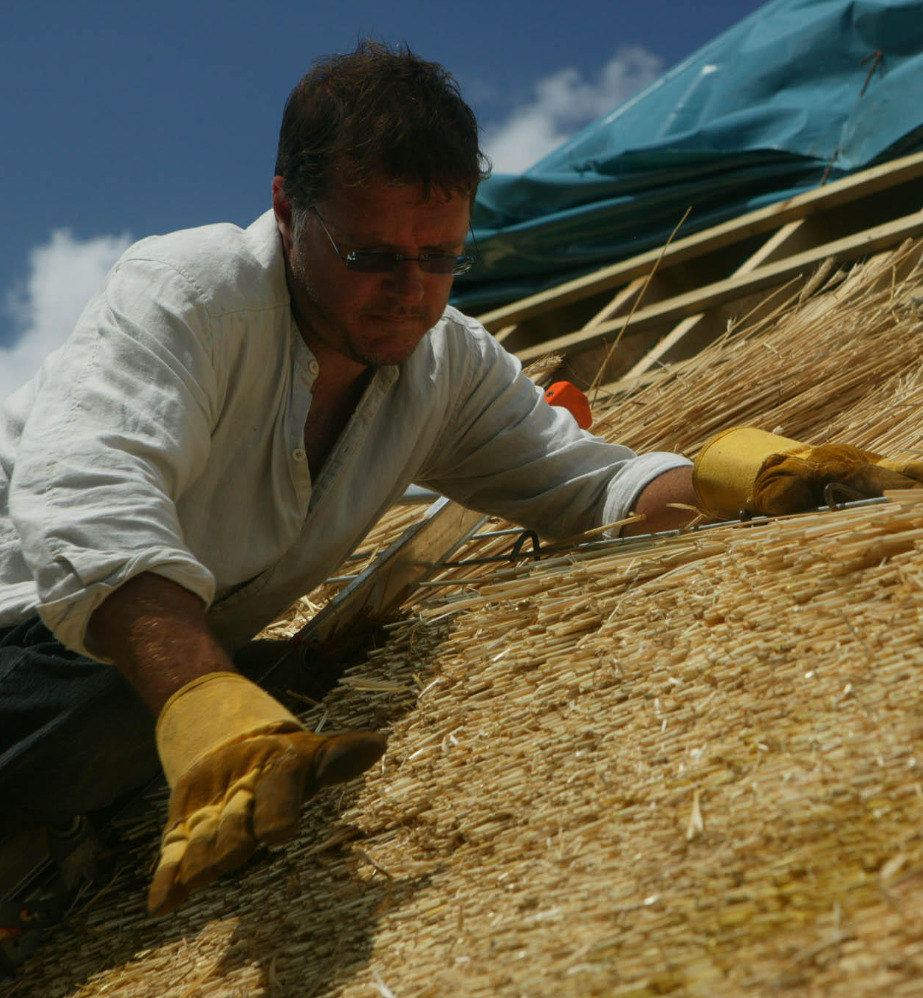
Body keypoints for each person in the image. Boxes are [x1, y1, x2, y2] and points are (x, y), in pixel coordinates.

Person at [2, 42, 919, 951]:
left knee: (300, 680)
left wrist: (749, 478)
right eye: (371, 254)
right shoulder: (191, 293)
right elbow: (91, 502)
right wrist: (203, 704)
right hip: (30, 644)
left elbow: (588, 484)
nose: (410, 293)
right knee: (128, 706)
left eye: (441, 258)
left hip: (120, 677)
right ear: (286, 208)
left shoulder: (443, 365)